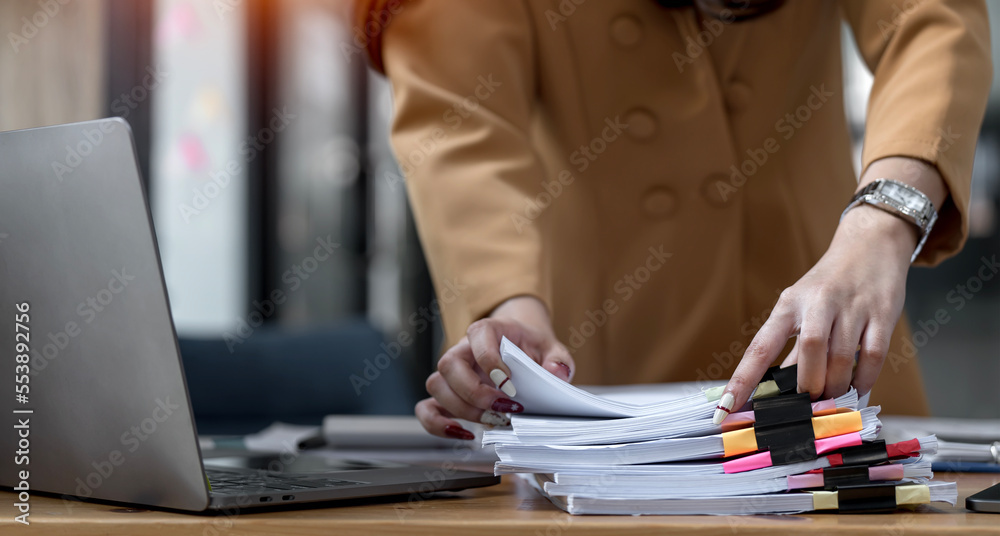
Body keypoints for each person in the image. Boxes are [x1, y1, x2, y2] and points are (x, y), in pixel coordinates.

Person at [354, 0, 992, 439]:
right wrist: (507, 305)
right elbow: (465, 122)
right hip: (602, 354)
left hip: (827, 318)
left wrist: (882, 222)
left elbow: (930, 23)